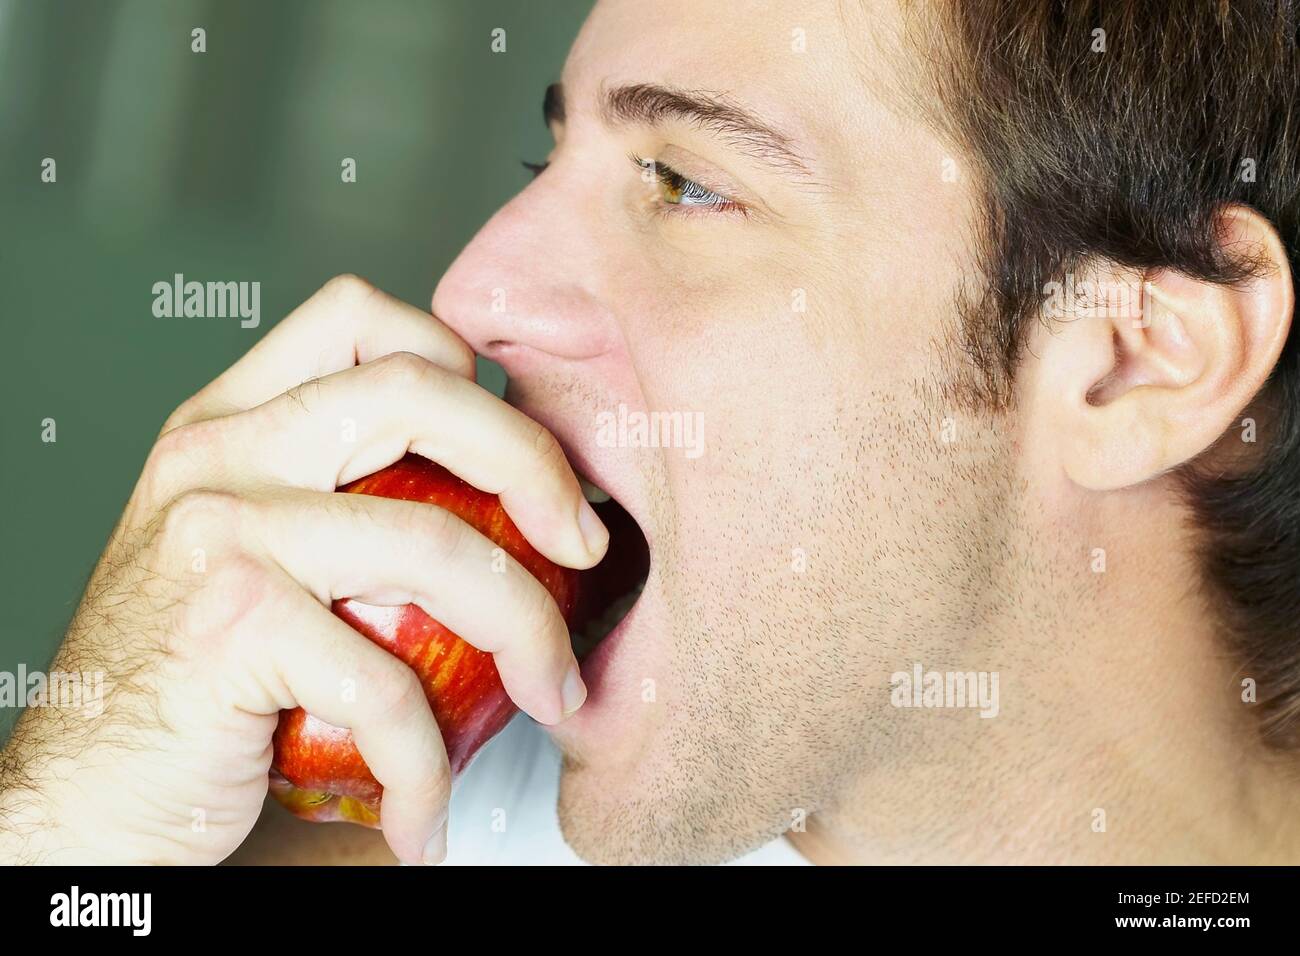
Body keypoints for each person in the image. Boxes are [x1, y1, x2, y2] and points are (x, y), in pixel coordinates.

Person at [3, 0, 1299, 866]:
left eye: (687, 183)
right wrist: (65, 823)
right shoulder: (412, 820)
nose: (474, 289)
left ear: (1136, 362)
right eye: (543, 165)